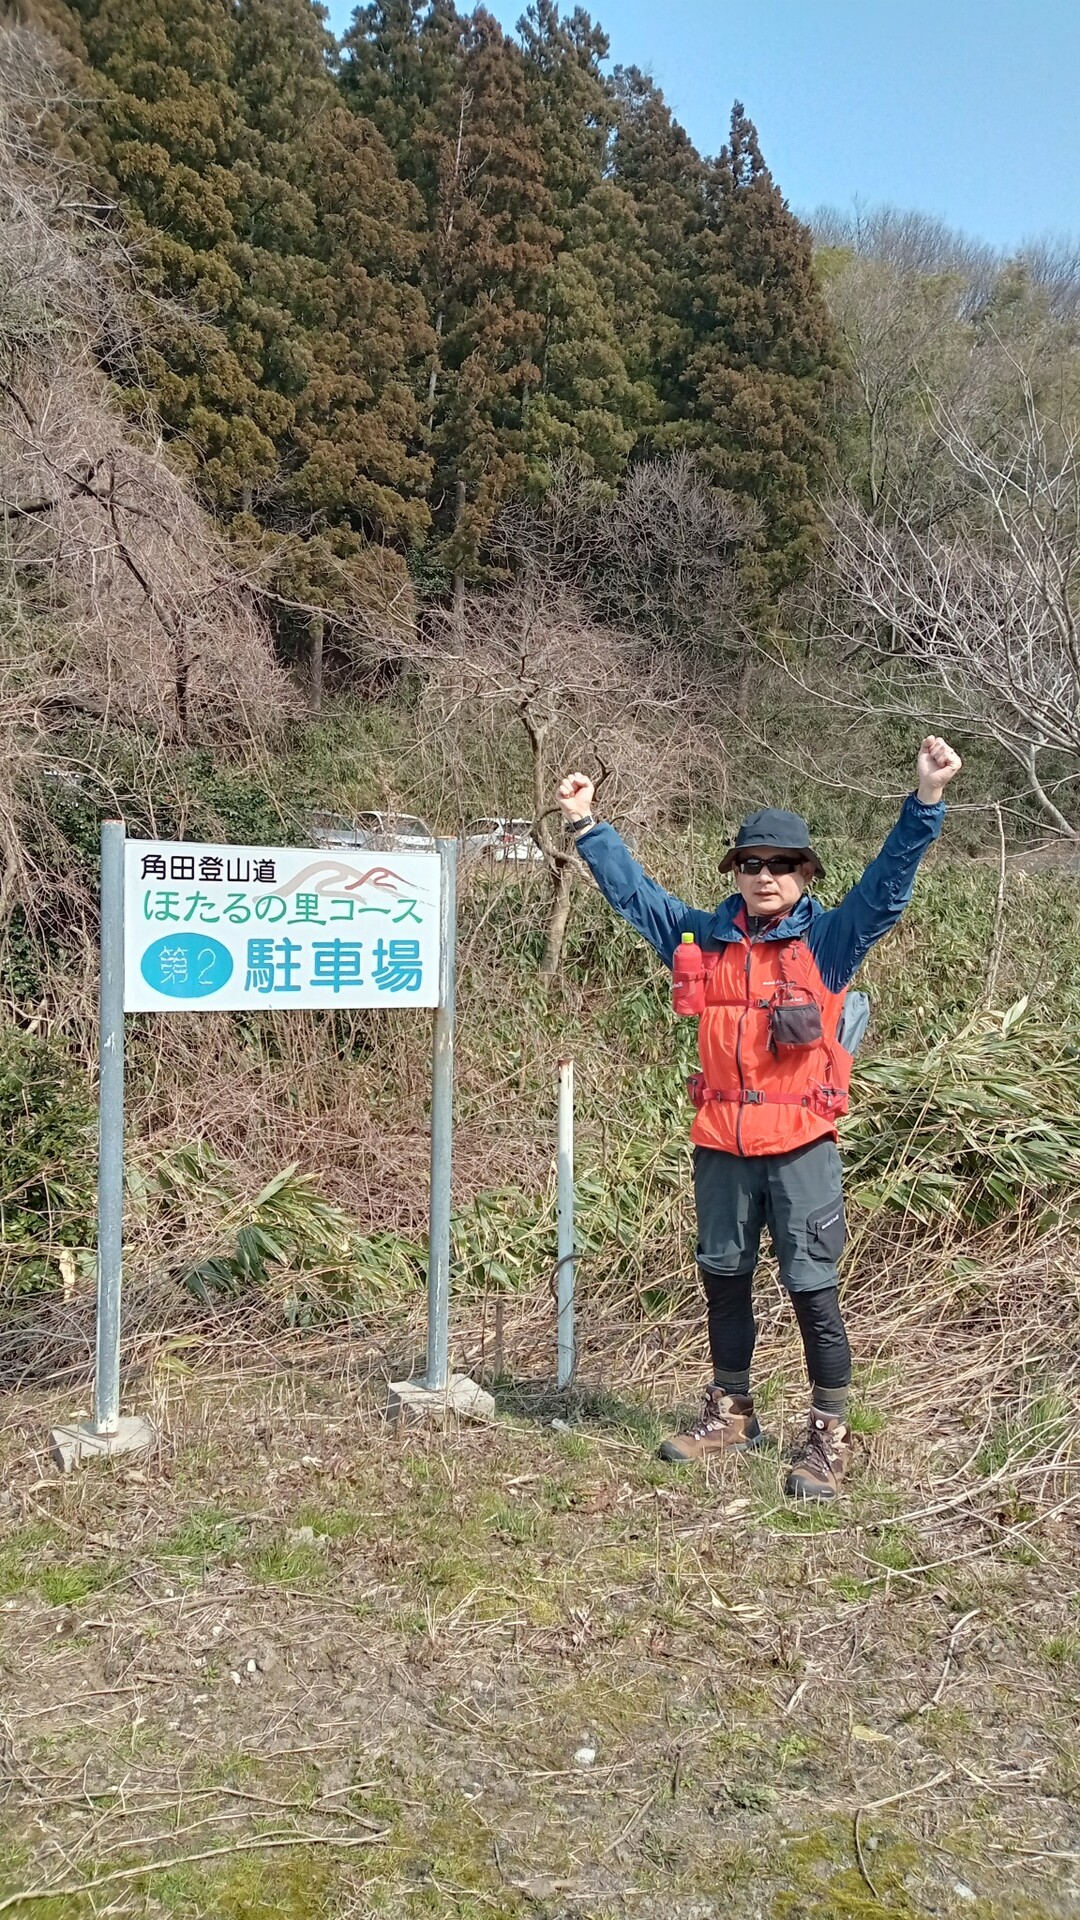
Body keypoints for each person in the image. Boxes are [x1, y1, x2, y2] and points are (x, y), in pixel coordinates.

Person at [556, 738, 962, 1501]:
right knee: (724, 1279)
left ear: (805, 873)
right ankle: (732, 1412)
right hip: (721, 1144)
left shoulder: (828, 944)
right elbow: (635, 896)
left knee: (812, 1290)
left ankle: (827, 1436)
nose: (764, 876)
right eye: (751, 863)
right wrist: (587, 826)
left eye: (781, 864)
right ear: (735, 872)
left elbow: (888, 888)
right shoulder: (701, 940)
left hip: (801, 1145)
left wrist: (925, 802)